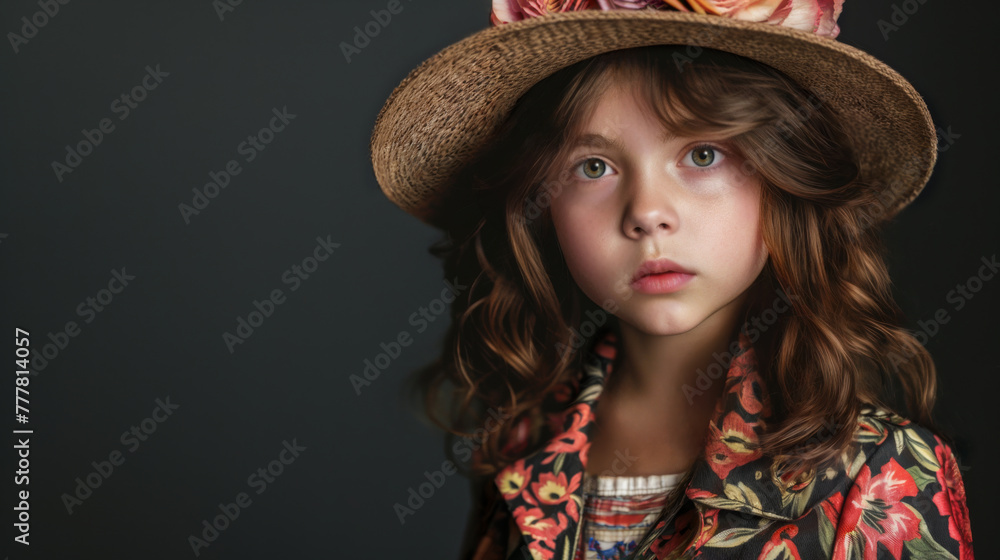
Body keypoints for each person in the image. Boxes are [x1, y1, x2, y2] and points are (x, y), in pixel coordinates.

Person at [369, 2, 974, 559]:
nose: (647, 212)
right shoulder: (521, 445)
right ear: (540, 209)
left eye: (703, 154)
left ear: (784, 179)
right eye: (593, 166)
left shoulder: (882, 470)